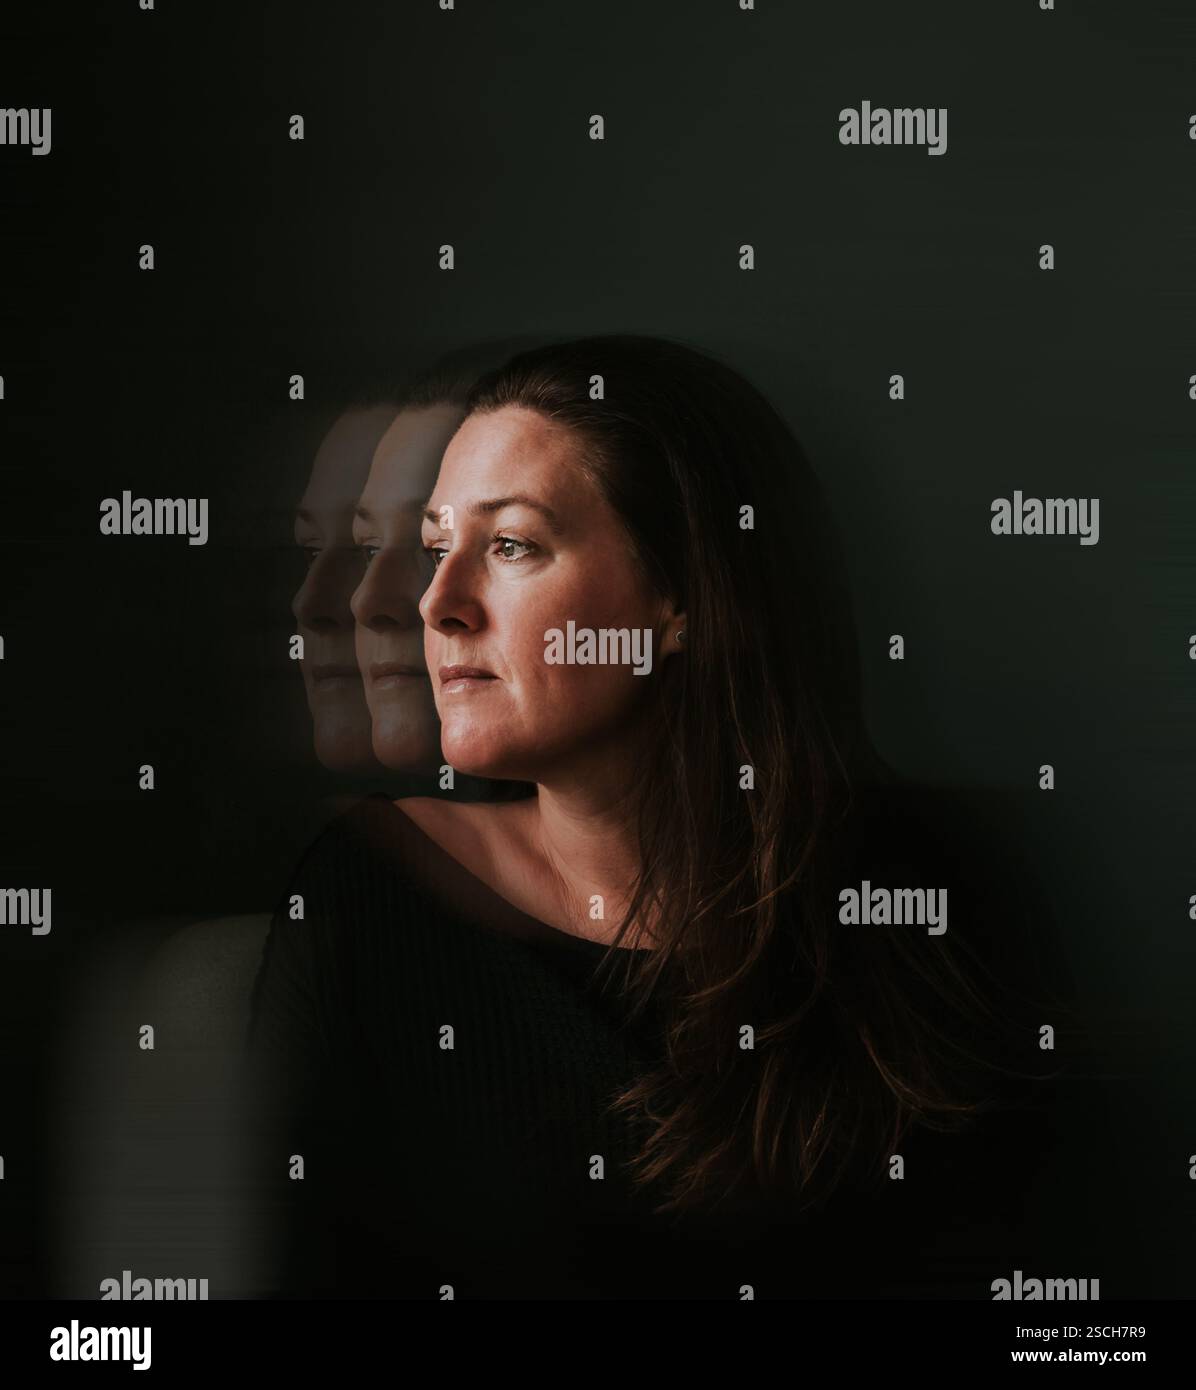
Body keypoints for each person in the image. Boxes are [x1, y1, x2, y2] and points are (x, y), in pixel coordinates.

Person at [246, 334, 1072, 1299]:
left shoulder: (927, 887)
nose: (437, 603)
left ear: (680, 601)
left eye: (510, 545)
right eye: (439, 547)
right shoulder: (373, 894)